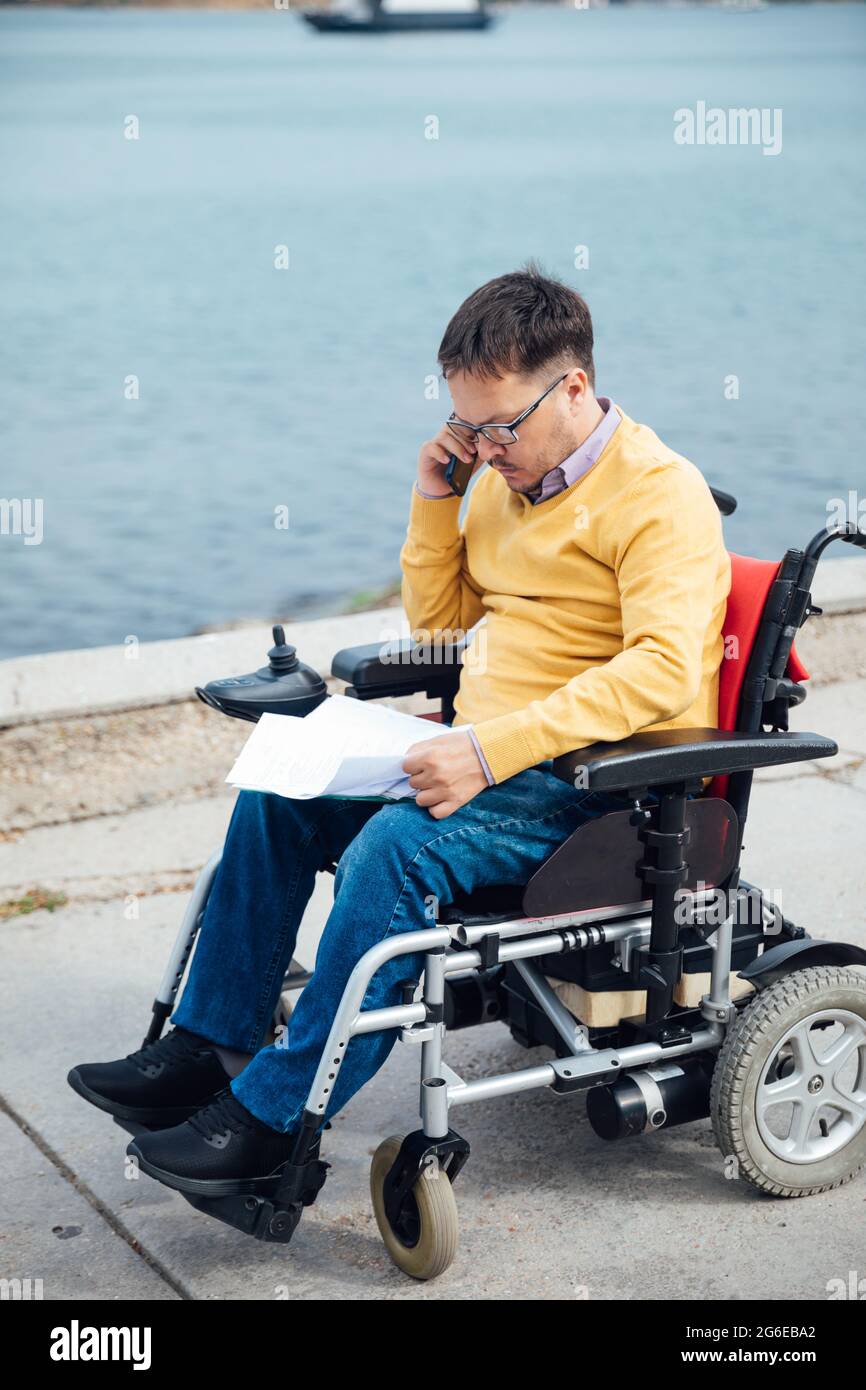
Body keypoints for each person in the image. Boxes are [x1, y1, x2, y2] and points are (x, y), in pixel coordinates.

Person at [67, 265, 731, 1207]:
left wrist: (489, 749)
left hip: (593, 788)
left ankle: (272, 1125)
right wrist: (435, 499)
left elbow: (661, 672)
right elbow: (441, 621)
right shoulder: (505, 478)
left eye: (500, 426)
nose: (486, 448)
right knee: (279, 794)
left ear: (573, 388)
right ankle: (212, 1042)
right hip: (491, 755)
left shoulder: (661, 496)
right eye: (469, 428)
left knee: (393, 852)